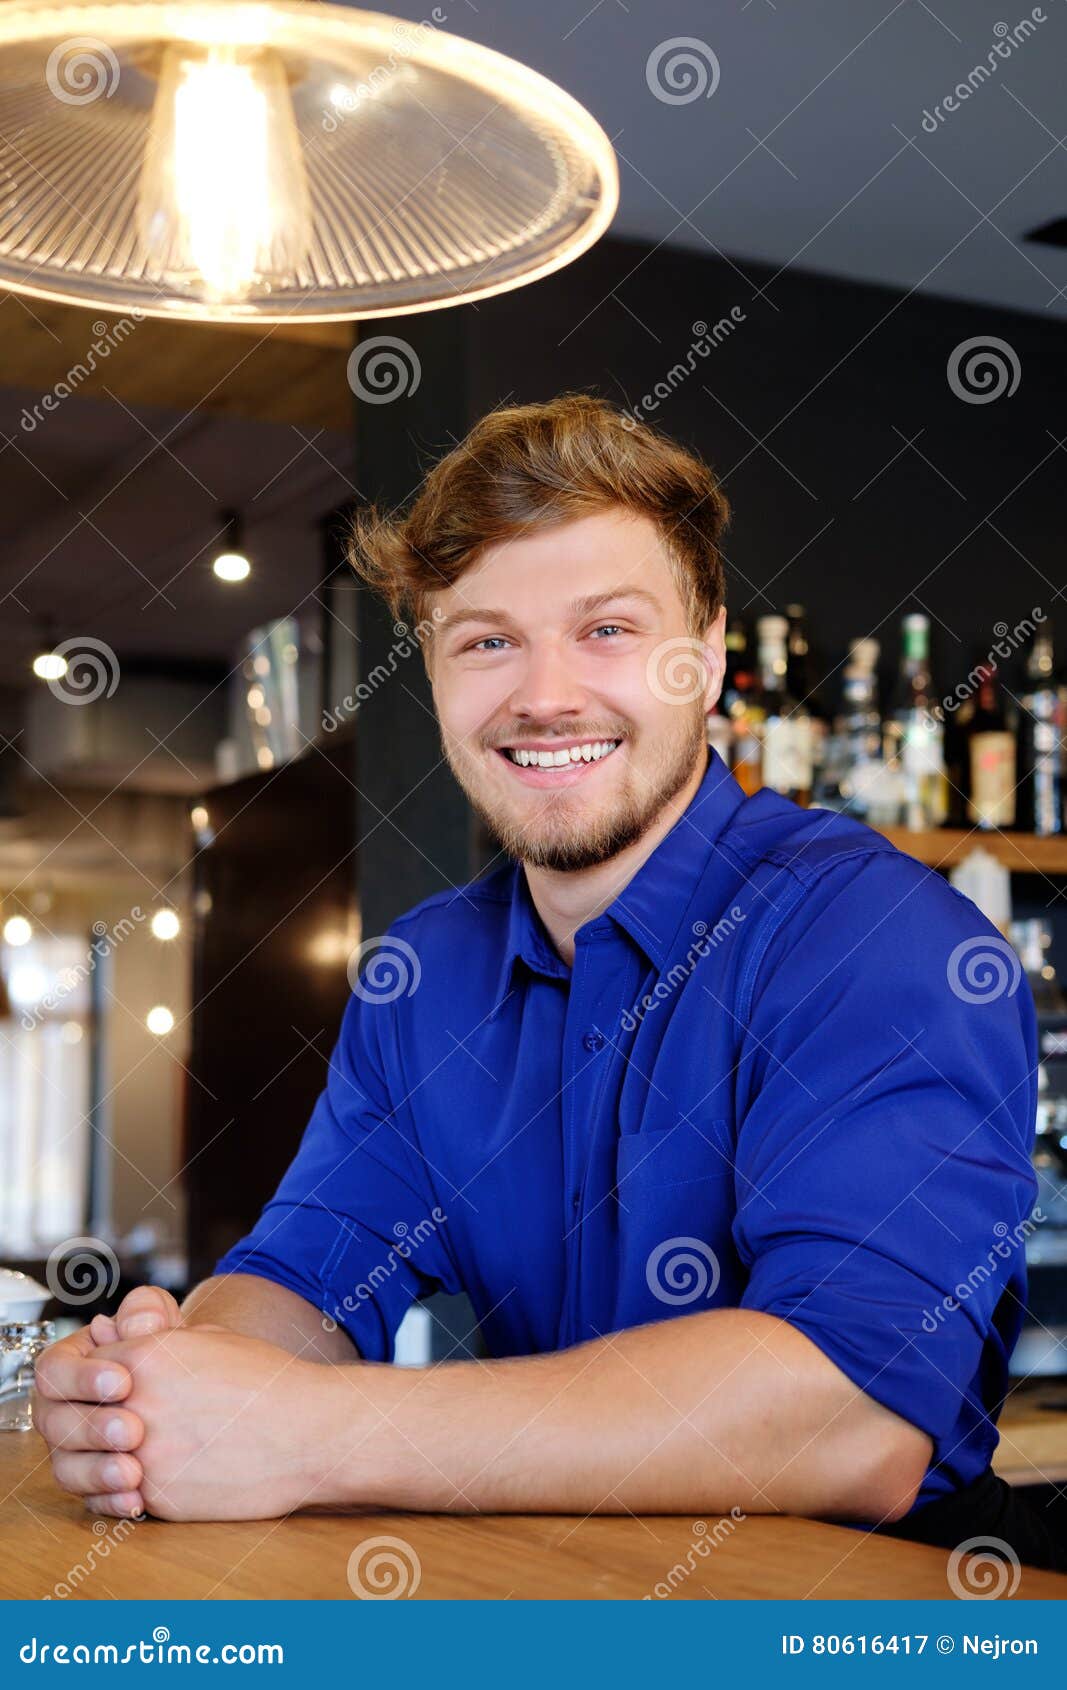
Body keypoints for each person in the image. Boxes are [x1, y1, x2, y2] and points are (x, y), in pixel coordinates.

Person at [35, 395, 1046, 1565]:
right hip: (570, 1601)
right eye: (486, 639)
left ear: (706, 652)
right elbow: (302, 1277)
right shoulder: (426, 976)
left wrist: (310, 1431)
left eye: (606, 629)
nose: (545, 694)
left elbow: (850, 1416)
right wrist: (162, 1383)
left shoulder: (875, 936)